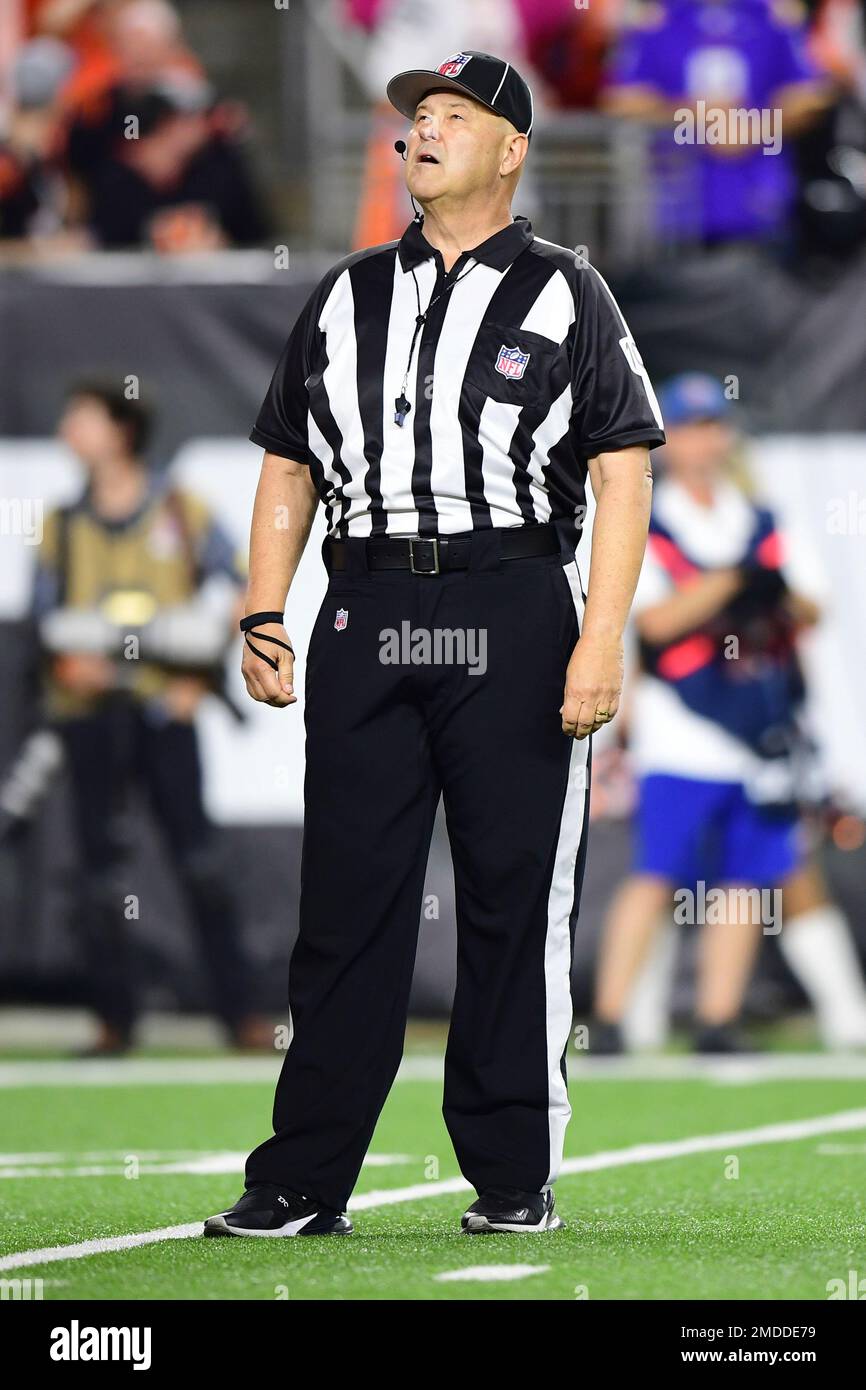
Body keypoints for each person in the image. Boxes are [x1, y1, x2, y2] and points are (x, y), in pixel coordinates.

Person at [205, 49, 665, 1240]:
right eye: (414, 116)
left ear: (511, 150)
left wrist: (599, 639)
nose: (422, 130)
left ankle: (511, 1170)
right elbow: (288, 458)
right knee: (343, 903)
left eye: (452, 116)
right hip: (363, 609)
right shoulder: (345, 291)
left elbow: (622, 475)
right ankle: (304, 1176)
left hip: (510, 601)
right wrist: (265, 604)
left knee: (512, 896)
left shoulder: (569, 291)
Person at [591, 372, 866, 1052]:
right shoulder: (652, 524)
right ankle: (613, 1018)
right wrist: (733, 583)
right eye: (685, 429)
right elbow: (654, 623)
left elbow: (811, 604)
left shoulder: (759, 518)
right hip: (684, 729)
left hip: (758, 732)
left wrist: (766, 588)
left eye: (711, 426)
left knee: (749, 878)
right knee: (658, 874)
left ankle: (718, 1018)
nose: (700, 441)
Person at [31, 380, 271, 1055]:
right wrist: (69, 663)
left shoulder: (179, 509)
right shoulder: (64, 524)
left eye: (82, 417)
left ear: (120, 429)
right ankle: (114, 1017)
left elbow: (247, 584)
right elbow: (50, 625)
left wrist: (202, 671)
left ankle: (241, 1012)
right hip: (90, 718)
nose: (67, 430)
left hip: (165, 713)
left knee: (200, 863)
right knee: (101, 872)